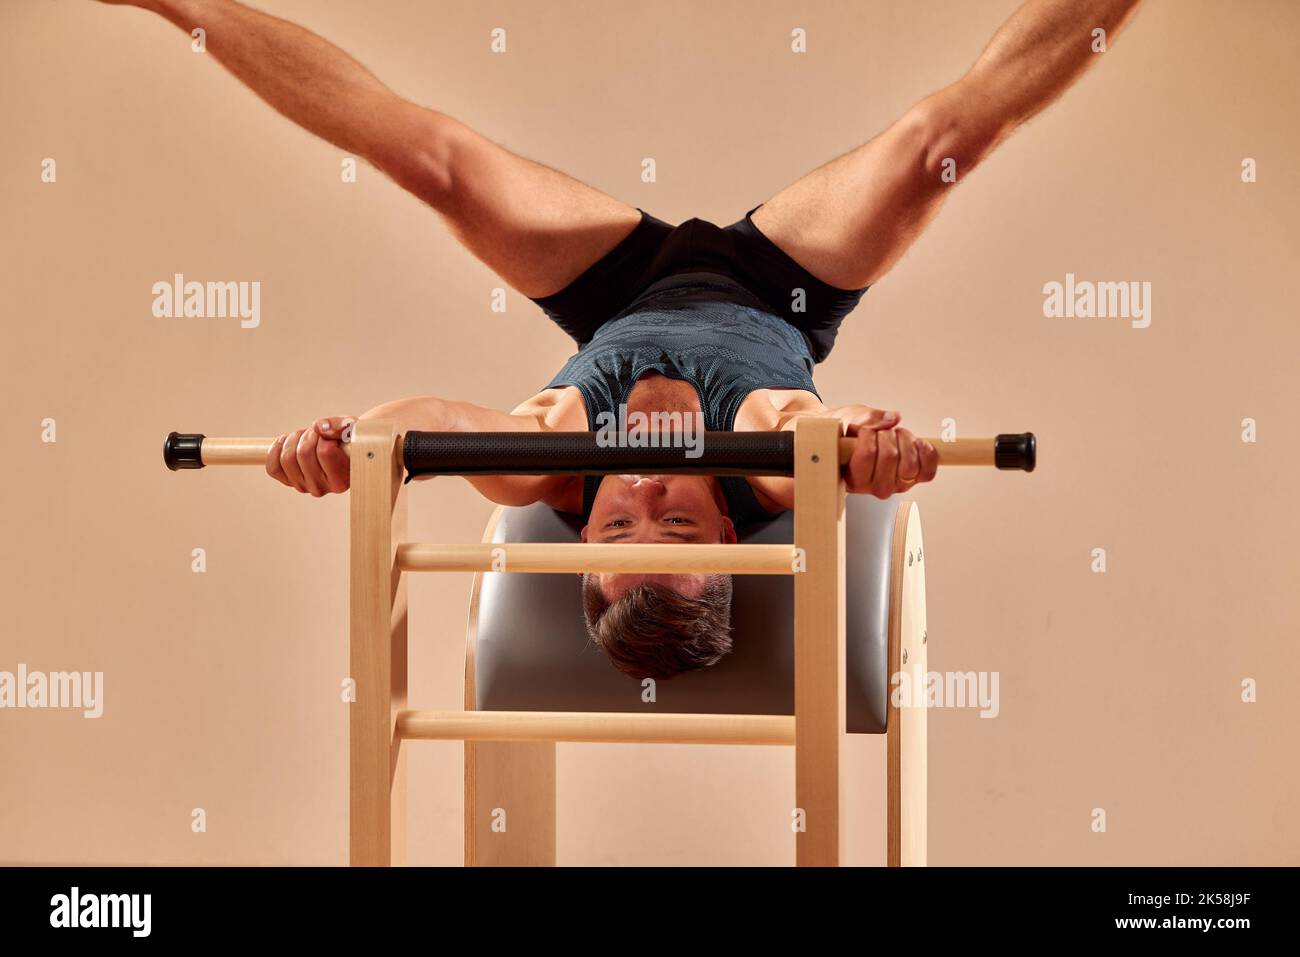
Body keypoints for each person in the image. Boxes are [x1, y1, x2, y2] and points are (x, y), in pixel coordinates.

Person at [99, 0, 1142, 678]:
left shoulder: (546, 467)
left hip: (616, 293)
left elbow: (414, 427)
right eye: (678, 530)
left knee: (433, 164)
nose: (640, 498)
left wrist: (340, 445)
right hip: (776, 293)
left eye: (613, 535)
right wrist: (871, 447)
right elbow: (814, 426)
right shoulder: (773, 474)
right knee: (939, 146)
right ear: (732, 538)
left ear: (575, 543)